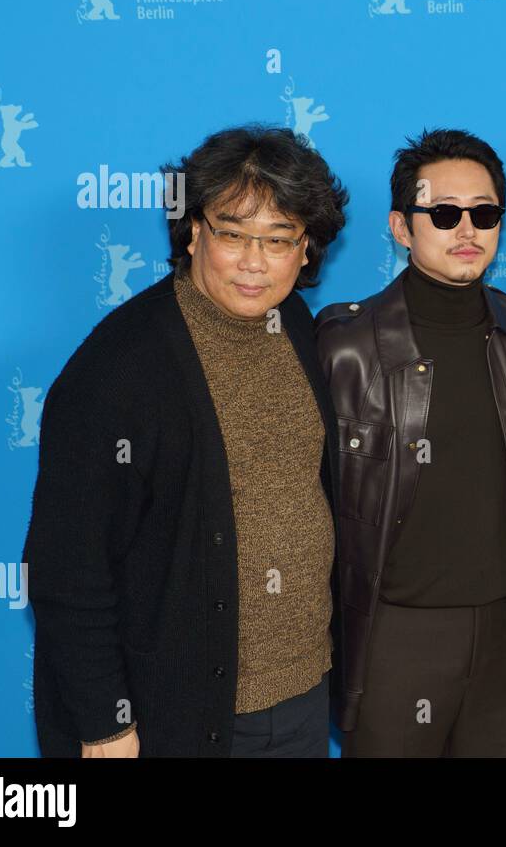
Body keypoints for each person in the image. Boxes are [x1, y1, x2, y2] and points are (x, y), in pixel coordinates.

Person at [25, 125, 348, 756]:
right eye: (233, 233)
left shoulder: (299, 328)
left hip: (306, 695)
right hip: (178, 716)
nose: (255, 262)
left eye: (279, 240)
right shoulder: (116, 372)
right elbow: (68, 570)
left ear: (306, 250)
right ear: (194, 231)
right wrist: (106, 725)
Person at [314, 128, 506, 757]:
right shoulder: (344, 345)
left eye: (485, 213)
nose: (466, 228)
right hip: (394, 634)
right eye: (443, 214)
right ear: (401, 226)